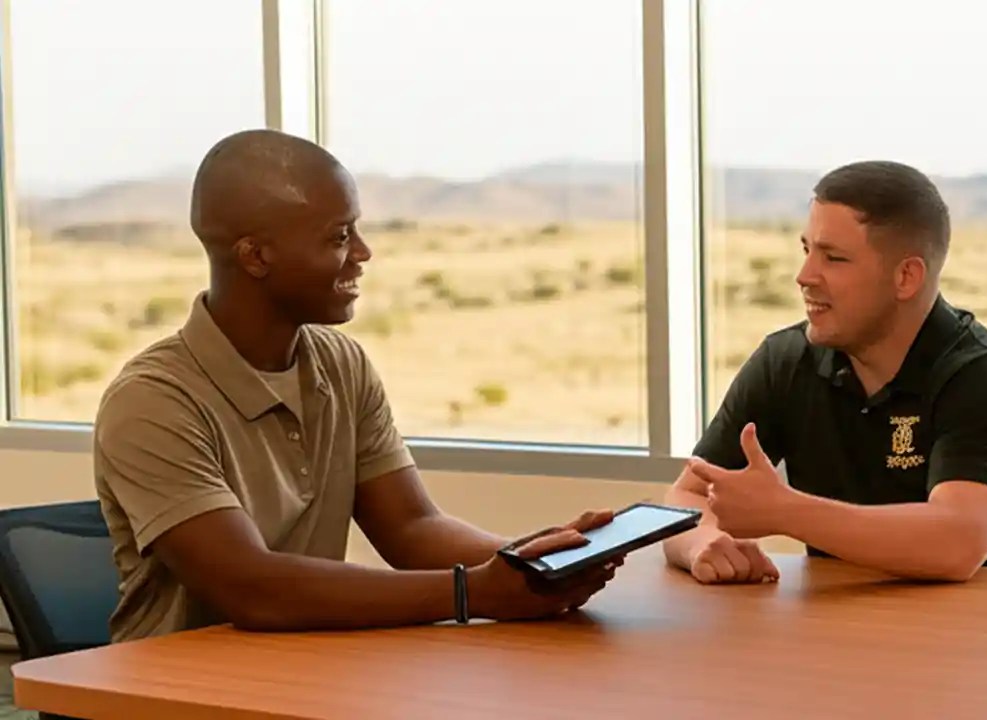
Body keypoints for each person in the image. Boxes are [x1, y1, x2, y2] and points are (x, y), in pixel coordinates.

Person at [94, 129, 620, 643]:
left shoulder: (340, 363)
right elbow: (252, 589)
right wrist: (472, 593)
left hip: (303, 670)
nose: (363, 253)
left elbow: (412, 528)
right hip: (173, 692)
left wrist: (533, 561)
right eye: (340, 237)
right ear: (255, 256)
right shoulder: (152, 402)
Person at [662, 160, 987, 585]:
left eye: (833, 258)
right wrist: (702, 543)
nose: (804, 277)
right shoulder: (785, 361)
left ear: (906, 277)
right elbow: (687, 495)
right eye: (806, 250)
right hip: (849, 623)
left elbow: (956, 543)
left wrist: (784, 510)